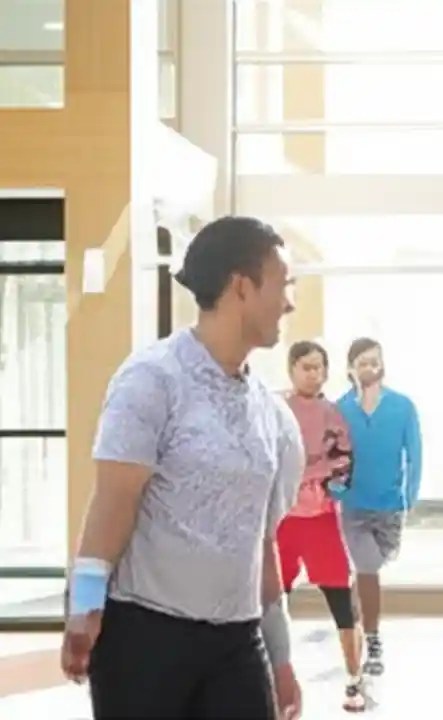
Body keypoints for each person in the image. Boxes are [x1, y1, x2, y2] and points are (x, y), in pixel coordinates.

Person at [61, 216, 305, 718]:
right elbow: (112, 500)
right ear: (242, 286)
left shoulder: (273, 414)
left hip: (237, 641)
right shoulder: (152, 379)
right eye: (283, 285)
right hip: (145, 639)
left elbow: (261, 541)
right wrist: (82, 608)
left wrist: (280, 656)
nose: (289, 302)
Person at [276, 340, 365, 711]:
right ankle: (272, 678)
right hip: (280, 520)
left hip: (321, 520)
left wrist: (311, 473)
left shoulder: (332, 414)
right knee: (267, 602)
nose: (313, 374)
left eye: (318, 367)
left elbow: (344, 465)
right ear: (292, 369)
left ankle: (354, 679)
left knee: (342, 602)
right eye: (306, 367)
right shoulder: (275, 408)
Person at [335, 336, 422, 676]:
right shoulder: (340, 408)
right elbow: (333, 455)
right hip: (354, 506)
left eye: (374, 361)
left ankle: (356, 623)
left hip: (390, 507)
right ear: (351, 369)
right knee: (367, 569)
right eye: (362, 362)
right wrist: (337, 491)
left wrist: (409, 497)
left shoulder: (402, 406)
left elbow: (414, 453)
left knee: (372, 567)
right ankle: (372, 641)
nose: (369, 367)